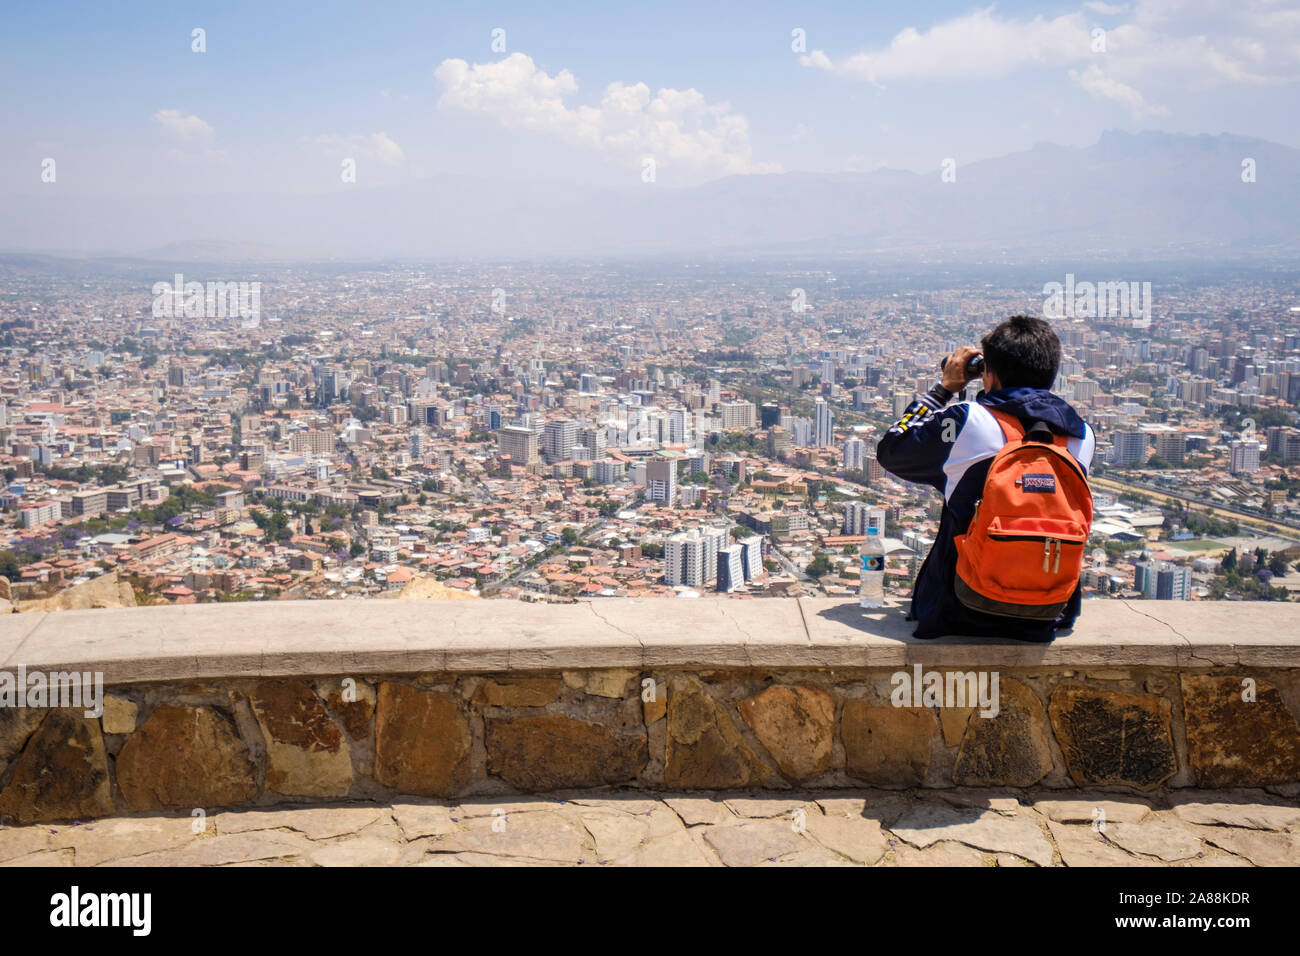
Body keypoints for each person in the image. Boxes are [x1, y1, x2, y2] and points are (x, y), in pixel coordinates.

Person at [875, 315, 1095, 641]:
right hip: (1047, 614)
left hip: (960, 610)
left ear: (988, 372)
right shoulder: (1081, 436)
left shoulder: (970, 421)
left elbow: (893, 449)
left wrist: (945, 388)